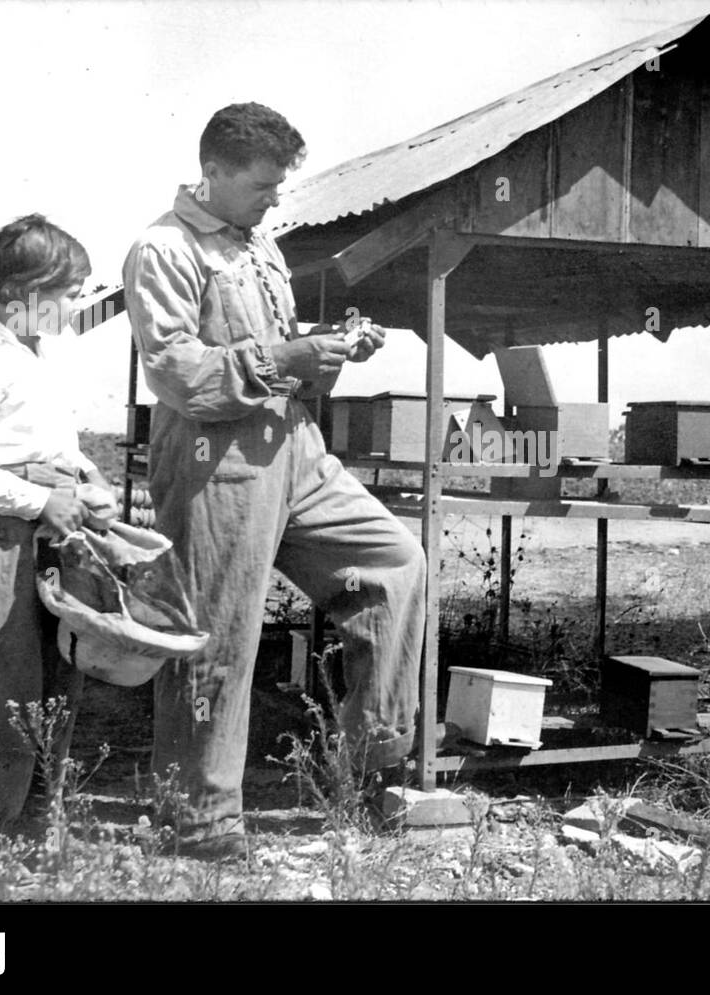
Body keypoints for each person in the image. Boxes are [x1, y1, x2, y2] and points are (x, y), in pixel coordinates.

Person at [123, 102, 426, 861]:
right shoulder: (164, 249)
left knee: (395, 560)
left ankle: (365, 768)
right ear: (214, 171)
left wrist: (326, 351)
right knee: (218, 632)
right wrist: (284, 361)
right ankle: (198, 819)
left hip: (296, 450)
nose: (273, 200)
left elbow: (273, 351)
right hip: (213, 461)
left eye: (279, 187)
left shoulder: (260, 246)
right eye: (261, 185)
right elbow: (177, 372)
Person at [0, 214, 117, 847]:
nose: (75, 307)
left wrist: (90, 479)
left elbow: (58, 446)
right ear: (28, 293)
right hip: (3, 541)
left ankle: (38, 831)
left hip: (52, 536)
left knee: (58, 680)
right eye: (68, 294)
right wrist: (41, 501)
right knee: (6, 688)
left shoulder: (39, 359)